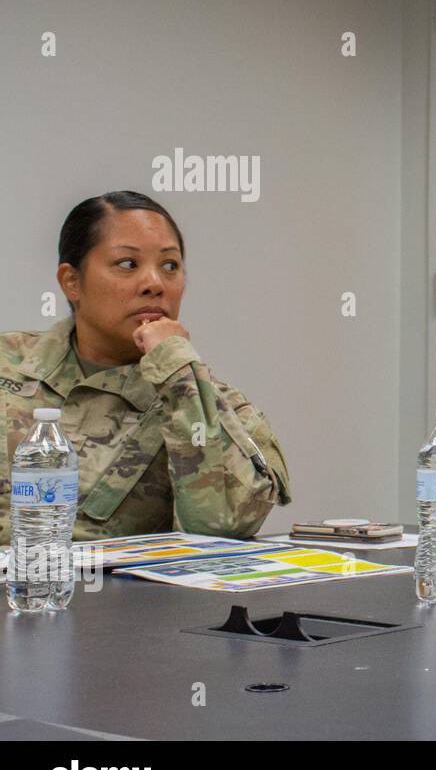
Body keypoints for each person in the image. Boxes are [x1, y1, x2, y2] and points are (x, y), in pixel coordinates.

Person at [0, 191, 291, 542]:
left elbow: (224, 528)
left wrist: (178, 373)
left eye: (170, 266)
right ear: (72, 281)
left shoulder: (207, 402)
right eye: (128, 264)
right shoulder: (8, 364)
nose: (155, 284)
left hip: (111, 595)